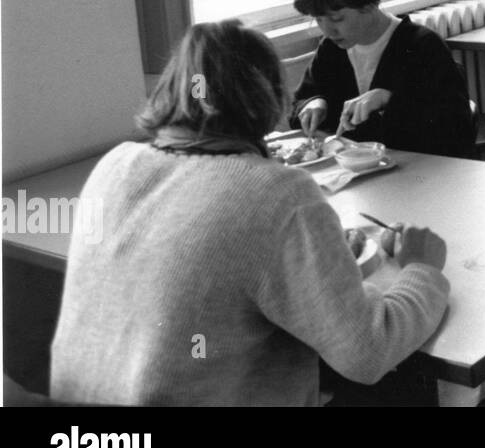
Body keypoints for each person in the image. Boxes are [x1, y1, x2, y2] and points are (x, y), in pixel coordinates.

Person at [50, 20, 451, 406]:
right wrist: (422, 270)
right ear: (271, 97)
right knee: (402, 387)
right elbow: (367, 354)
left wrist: (325, 267)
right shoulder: (278, 193)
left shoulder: (114, 166)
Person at [291, 0, 475, 158]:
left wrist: (389, 99)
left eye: (337, 18)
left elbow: (457, 128)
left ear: (368, 4)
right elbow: (301, 101)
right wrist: (313, 103)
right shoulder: (331, 49)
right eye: (318, 19)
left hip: (418, 177)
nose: (327, 29)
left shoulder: (422, 46)